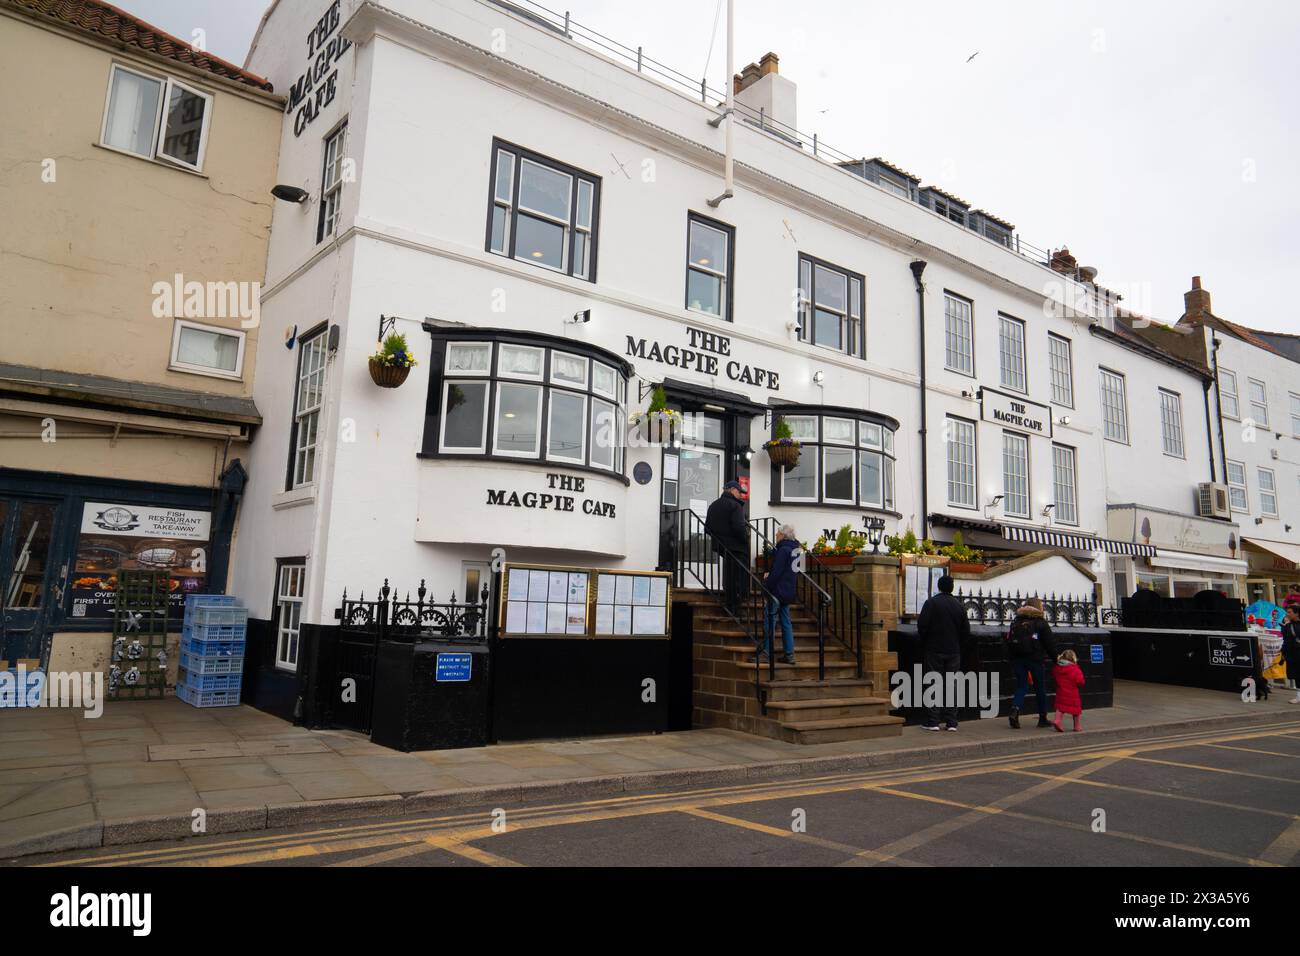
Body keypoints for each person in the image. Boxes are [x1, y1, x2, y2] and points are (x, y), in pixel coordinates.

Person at [916, 575, 972, 732]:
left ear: (939, 586)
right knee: (951, 685)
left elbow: (922, 626)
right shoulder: (959, 606)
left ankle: (933, 721)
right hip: (954, 651)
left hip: (934, 649)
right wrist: (958, 645)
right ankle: (951, 722)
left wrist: (926, 642)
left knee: (934, 684)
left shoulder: (931, 603)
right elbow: (966, 631)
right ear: (952, 588)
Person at [1007, 597, 1056, 729]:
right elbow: (1049, 644)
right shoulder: (1040, 622)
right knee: (1040, 688)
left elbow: (1009, 641)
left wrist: (1012, 658)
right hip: (1035, 659)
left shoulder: (1016, 621)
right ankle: (1042, 718)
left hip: (1018, 659)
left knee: (1021, 686)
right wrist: (1056, 660)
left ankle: (1015, 709)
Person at [704, 480, 750, 616]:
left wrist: (719, 537)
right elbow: (738, 527)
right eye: (739, 492)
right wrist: (745, 540)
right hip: (736, 547)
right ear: (731, 490)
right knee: (738, 578)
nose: (741, 495)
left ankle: (730, 605)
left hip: (722, 546)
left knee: (730, 576)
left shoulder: (713, 505)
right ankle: (736, 606)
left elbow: (707, 528)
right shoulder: (735, 505)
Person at [761, 524, 799, 665]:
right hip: (789, 591)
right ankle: (789, 654)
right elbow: (796, 572)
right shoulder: (797, 550)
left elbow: (776, 572)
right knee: (786, 623)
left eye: (777, 533)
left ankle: (766, 654)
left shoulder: (782, 550)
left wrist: (767, 585)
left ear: (783, 535)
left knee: (769, 622)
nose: (776, 536)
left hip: (777, 591)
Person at [1050, 649, 1086, 732]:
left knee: (1060, 708)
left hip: (1060, 691)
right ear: (1073, 658)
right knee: (1076, 710)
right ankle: (1077, 726)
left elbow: (1054, 676)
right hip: (1073, 693)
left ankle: (1057, 720)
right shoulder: (1075, 669)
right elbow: (1080, 681)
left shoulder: (1057, 668)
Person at [1281, 604, 1300, 705]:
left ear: (1296, 614)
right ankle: (1298, 696)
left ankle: (1298, 697)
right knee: (1297, 676)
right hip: (1293, 654)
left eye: (1290, 612)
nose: (1287, 614)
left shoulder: (1291, 626)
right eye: (1287, 612)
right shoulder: (1288, 625)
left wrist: (1283, 651)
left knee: (1297, 675)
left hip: (1296, 654)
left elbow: (1288, 640)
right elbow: (1285, 638)